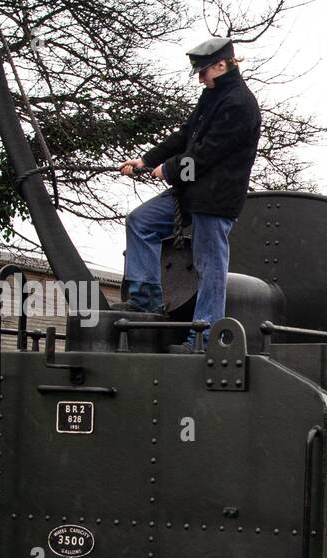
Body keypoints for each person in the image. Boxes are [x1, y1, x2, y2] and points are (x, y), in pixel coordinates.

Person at [119, 37, 261, 348]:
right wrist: (146, 160)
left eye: (203, 71)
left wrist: (168, 170)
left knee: (210, 267)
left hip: (215, 199)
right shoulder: (212, 95)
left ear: (221, 65)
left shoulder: (239, 104)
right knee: (140, 222)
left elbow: (207, 155)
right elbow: (186, 136)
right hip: (190, 193)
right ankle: (146, 302)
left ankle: (205, 337)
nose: (199, 78)